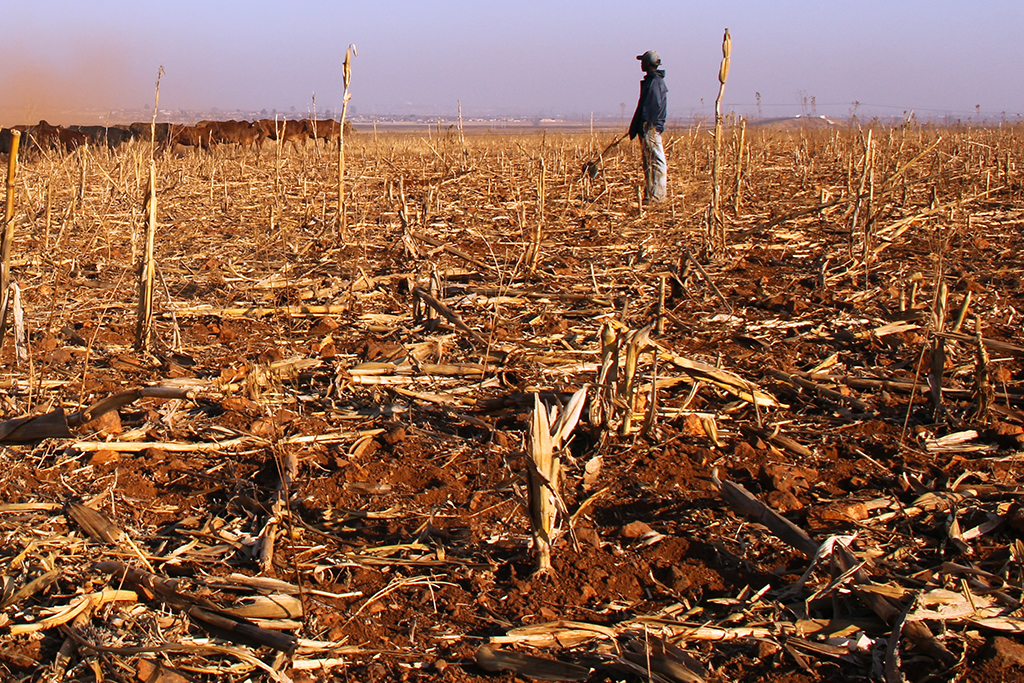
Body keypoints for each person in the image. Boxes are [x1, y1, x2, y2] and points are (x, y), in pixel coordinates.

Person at [628, 50, 668, 203]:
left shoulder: (655, 82)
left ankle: (657, 196)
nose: (641, 64)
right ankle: (651, 195)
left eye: (643, 61)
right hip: (647, 127)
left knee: (656, 161)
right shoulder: (652, 81)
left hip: (650, 128)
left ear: (648, 64)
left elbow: (653, 106)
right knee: (649, 161)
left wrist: (646, 124)